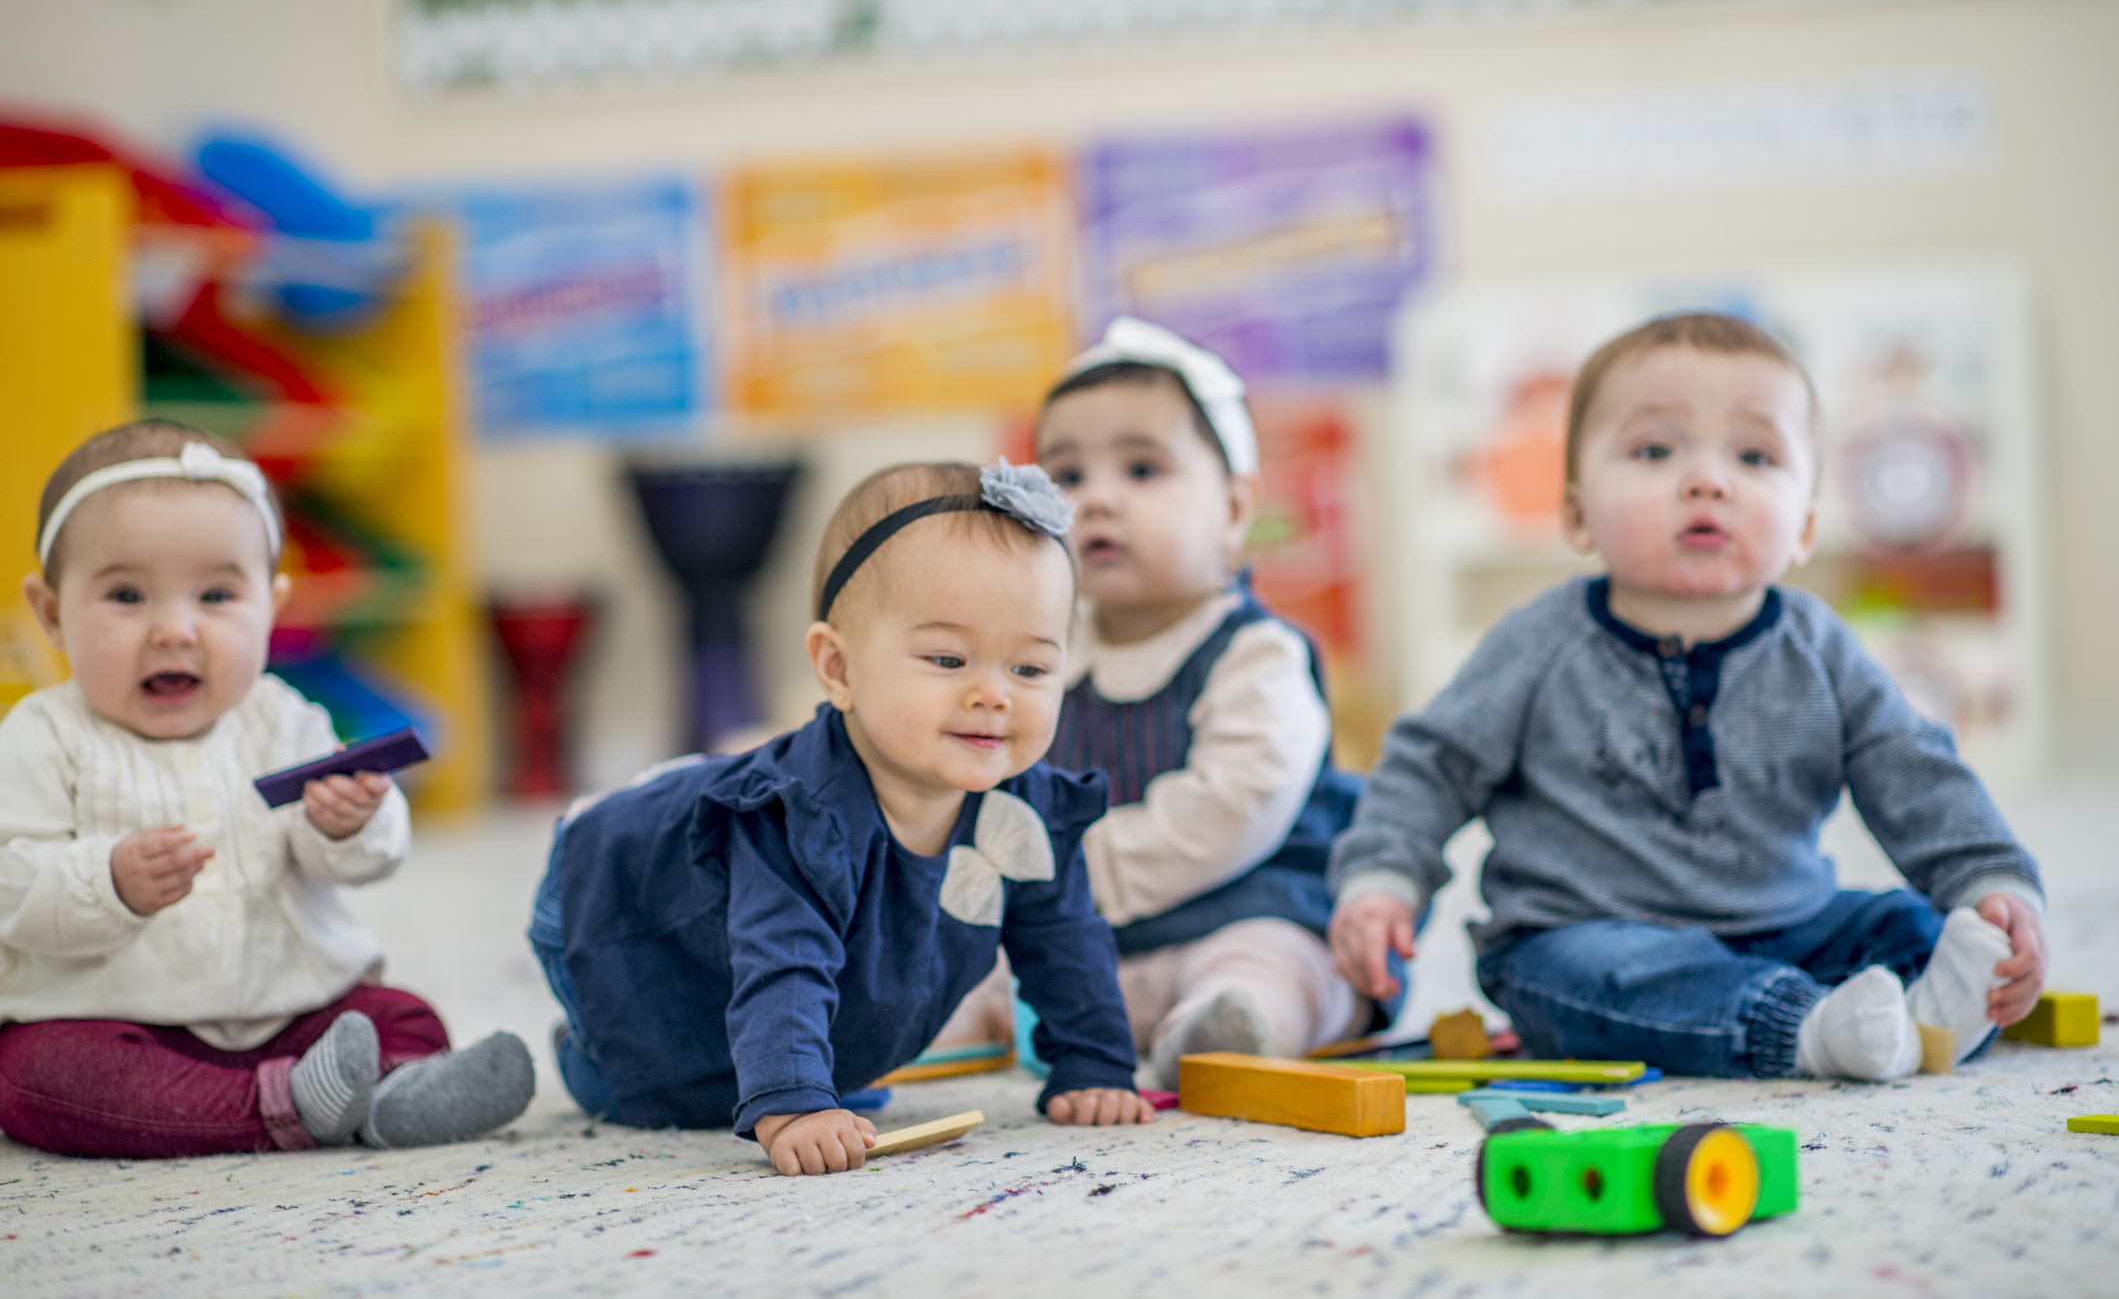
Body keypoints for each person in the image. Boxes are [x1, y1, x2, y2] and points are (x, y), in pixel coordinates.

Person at [1328, 313, 2045, 1082]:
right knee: (1578, 977)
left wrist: (1990, 884)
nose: (1707, 480)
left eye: (1753, 456)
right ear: (1575, 514)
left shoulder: (1817, 648)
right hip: (1585, 935)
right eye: (1654, 451)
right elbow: (1430, 764)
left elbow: (1915, 770)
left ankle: (1928, 1016)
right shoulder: (1538, 643)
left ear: (1803, 527)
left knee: (1910, 928)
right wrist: (1382, 879)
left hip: (1791, 926)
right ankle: (1807, 1029)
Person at [530, 461, 1151, 1177]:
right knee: (670, 1082)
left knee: (838, 1041)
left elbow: (1065, 940)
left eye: (1031, 669)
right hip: (625, 895)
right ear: (838, 668)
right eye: (948, 659)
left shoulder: (1029, 807)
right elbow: (784, 958)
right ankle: (586, 1057)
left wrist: (1095, 1064)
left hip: (735, 925)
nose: (993, 695)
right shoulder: (798, 814)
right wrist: (794, 1103)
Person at [0, 421, 534, 1158]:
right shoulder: (40, 735)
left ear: (272, 609)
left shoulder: (286, 720)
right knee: (38, 1078)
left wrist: (348, 825)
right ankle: (276, 1108)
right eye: (127, 594)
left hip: (292, 1011)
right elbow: (11, 887)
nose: (175, 630)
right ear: (53, 613)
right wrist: (108, 882)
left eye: (217, 594)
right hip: (114, 1020)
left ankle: (389, 1099)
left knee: (403, 1016)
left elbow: (357, 861)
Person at [1033, 319, 1372, 1090]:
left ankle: (1231, 1028)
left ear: (1232, 509)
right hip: (1090, 942)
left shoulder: (1254, 653)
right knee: (973, 961)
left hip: (1246, 912)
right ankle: (919, 1027)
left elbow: (1231, 807)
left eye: (1142, 469)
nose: (1097, 500)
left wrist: (1070, 872)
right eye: (1067, 476)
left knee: (1275, 964)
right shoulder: (1045, 658)